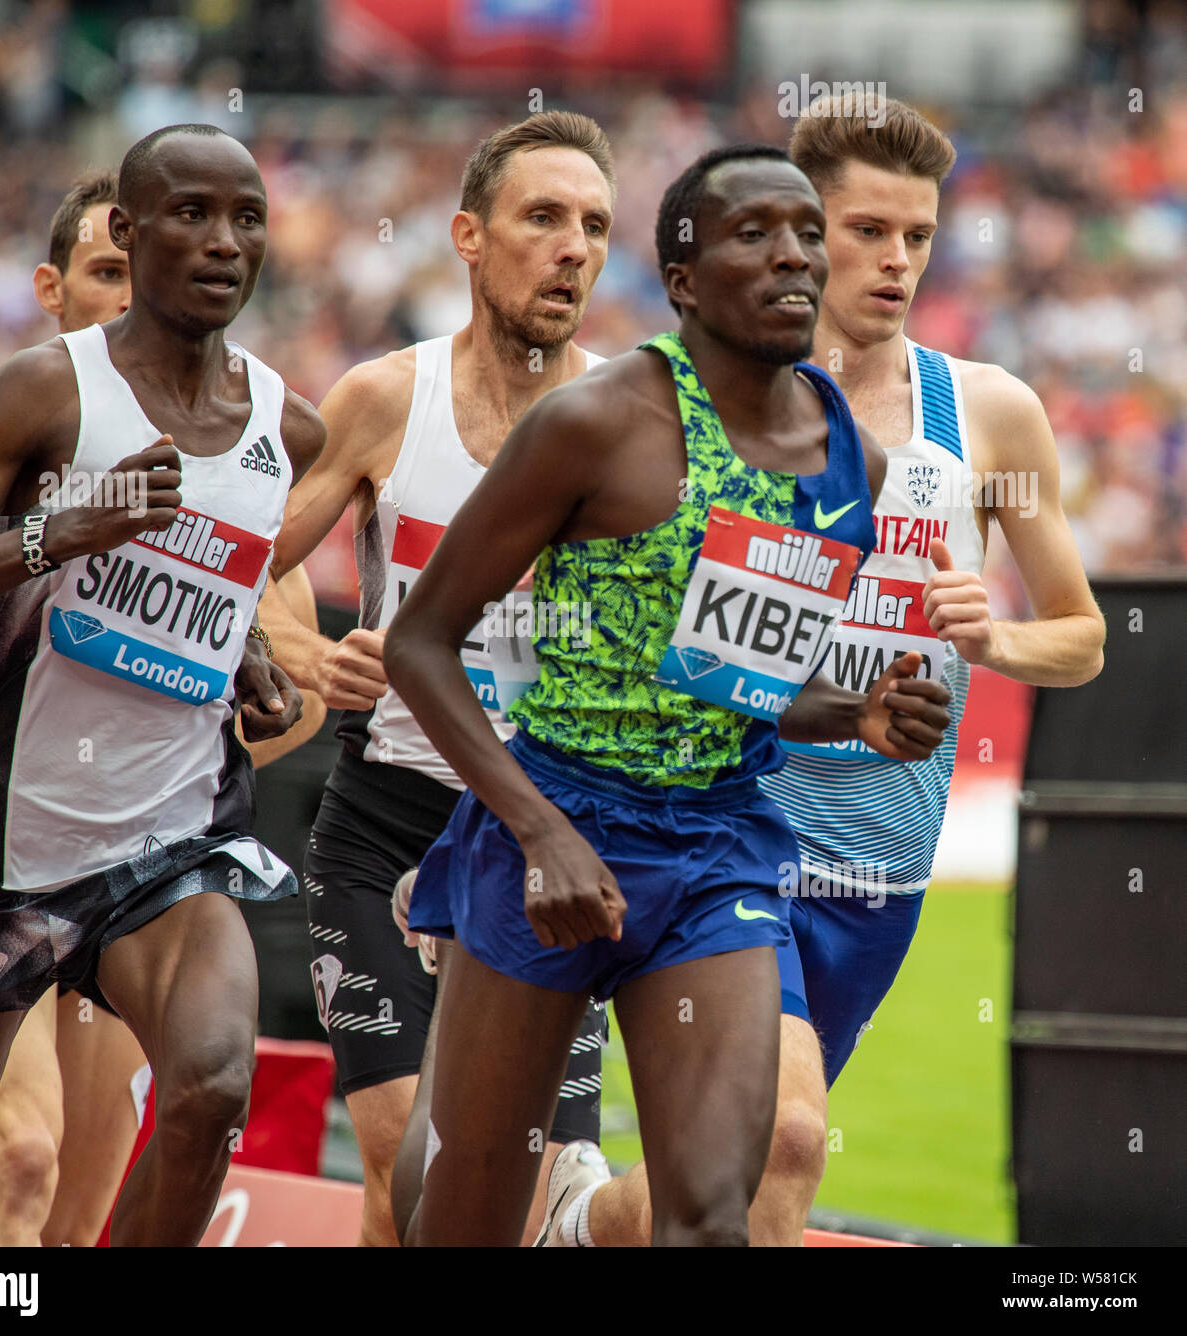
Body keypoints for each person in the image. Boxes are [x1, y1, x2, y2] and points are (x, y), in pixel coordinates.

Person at [543, 99, 1105, 1248]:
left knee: (740, 1175)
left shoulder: (987, 417)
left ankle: (575, 1218)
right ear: (798, 231)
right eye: (864, 232)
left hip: (882, 874)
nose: (895, 261)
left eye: (917, 236)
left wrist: (990, 637)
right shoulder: (714, 407)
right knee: (787, 1136)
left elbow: (1084, 636)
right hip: (726, 831)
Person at [384, 145, 951, 1246]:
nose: (792, 253)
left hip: (716, 852)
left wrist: (855, 711)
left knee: (712, 1214)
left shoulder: (851, 463)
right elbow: (420, 643)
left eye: (803, 230)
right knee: (467, 1219)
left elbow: (735, 683)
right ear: (683, 280)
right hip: (552, 834)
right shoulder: (598, 423)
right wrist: (540, 831)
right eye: (753, 234)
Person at [0, 122, 324, 1247]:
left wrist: (254, 662)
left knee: (211, 1092)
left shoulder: (289, 428)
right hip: (5, 844)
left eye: (246, 219)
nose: (224, 242)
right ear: (127, 234)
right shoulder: (46, 394)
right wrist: (53, 534)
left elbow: (218, 600)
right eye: (190, 215)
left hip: (175, 842)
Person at [258, 110, 616, 1246]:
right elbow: (244, 557)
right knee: (399, 1166)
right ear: (468, 235)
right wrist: (308, 650)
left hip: (550, 839)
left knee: (531, 1181)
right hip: (389, 831)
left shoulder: (634, 417)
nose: (573, 247)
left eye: (596, 226)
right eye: (543, 218)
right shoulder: (383, 400)